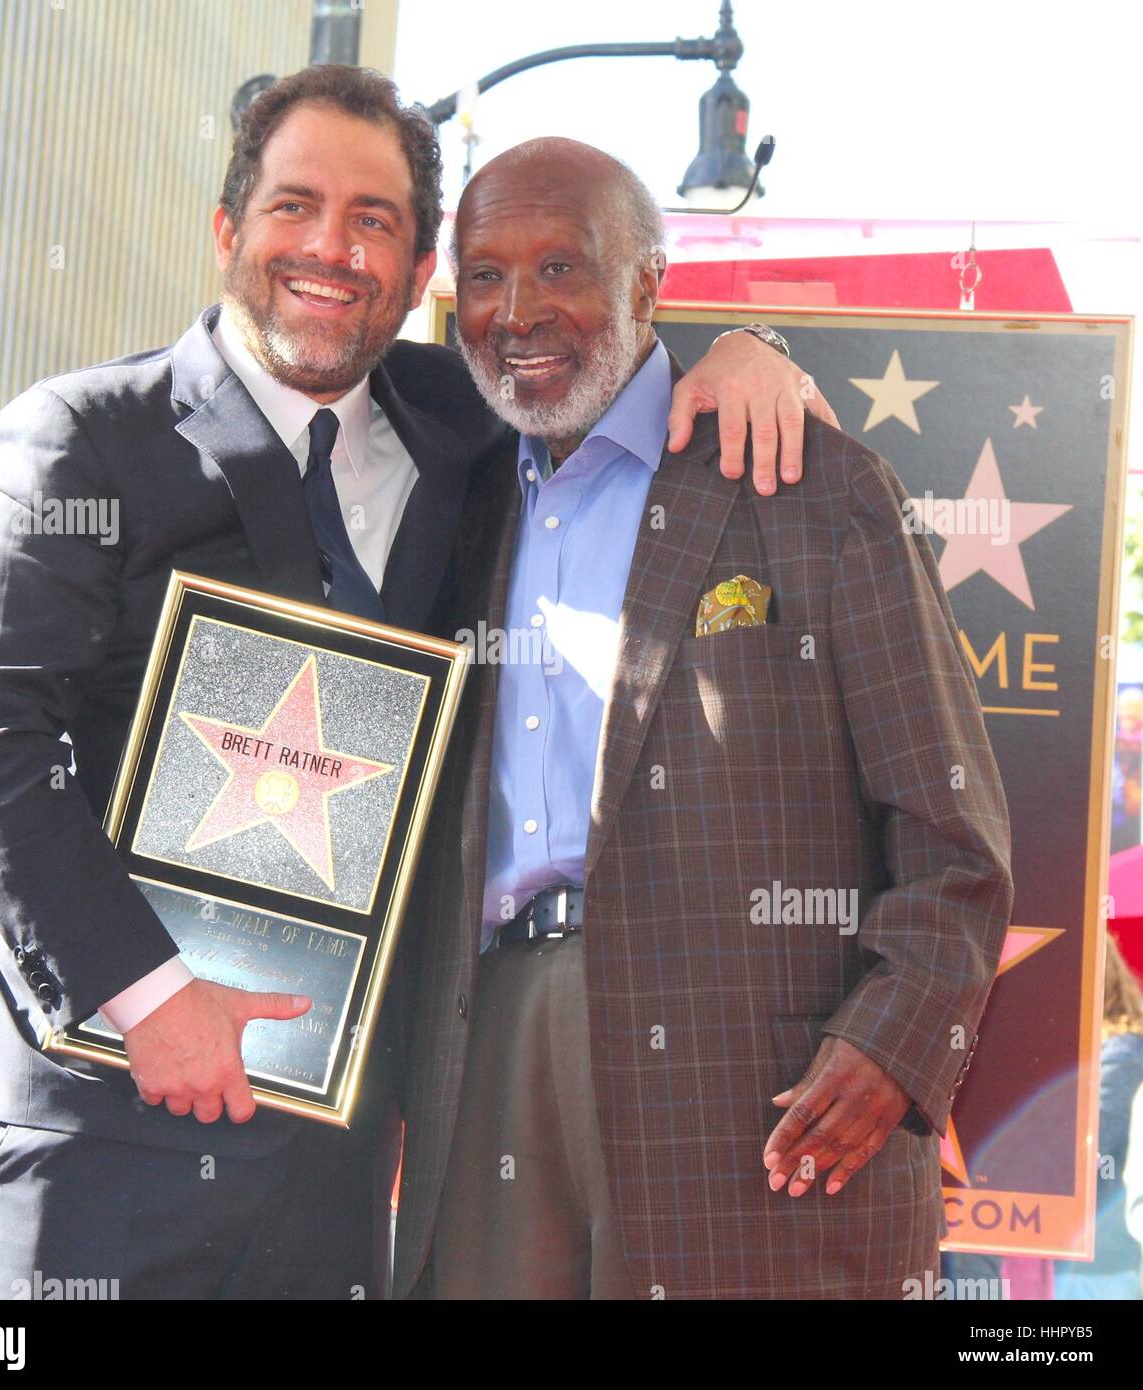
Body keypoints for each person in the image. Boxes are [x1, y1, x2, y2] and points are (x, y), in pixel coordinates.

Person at [0, 67, 828, 1300]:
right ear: (230, 229)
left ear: (417, 280)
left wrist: (753, 350)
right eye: (295, 206)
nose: (330, 249)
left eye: (376, 222)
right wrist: (151, 995)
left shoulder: (472, 428)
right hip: (106, 1124)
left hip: (341, 1148)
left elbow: (615, 359)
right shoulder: (79, 438)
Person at [392, 137, 1013, 1300]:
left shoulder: (807, 484)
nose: (518, 310)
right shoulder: (453, 497)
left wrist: (895, 1040)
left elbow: (955, 834)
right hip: (486, 1048)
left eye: (562, 268)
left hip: (744, 1072)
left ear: (647, 283)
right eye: (484, 274)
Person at [1051, 936, 1143, 1299]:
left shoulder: (1121, 1056)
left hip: (1102, 1268)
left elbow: (1090, 1152)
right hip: (1091, 1263)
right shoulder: (1113, 1052)